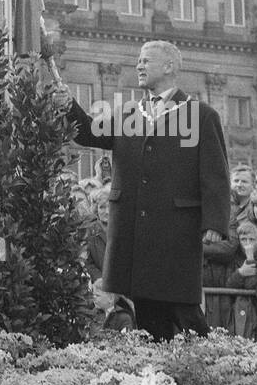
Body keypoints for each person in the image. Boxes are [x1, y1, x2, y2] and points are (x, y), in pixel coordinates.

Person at [59, 39, 231, 339]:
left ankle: (216, 364)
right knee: (148, 315)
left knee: (185, 311)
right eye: (138, 60)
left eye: (146, 60)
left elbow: (216, 175)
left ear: (169, 66)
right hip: (133, 231)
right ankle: (160, 378)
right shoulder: (127, 114)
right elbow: (88, 133)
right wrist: (67, 104)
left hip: (175, 230)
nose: (139, 65)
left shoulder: (201, 115)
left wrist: (214, 223)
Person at [227, 221, 257, 338]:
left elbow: (251, 285)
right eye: (243, 239)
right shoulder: (232, 259)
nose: (247, 244)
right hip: (234, 307)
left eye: (251, 240)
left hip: (256, 309)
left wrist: (250, 258)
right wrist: (240, 272)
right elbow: (228, 284)